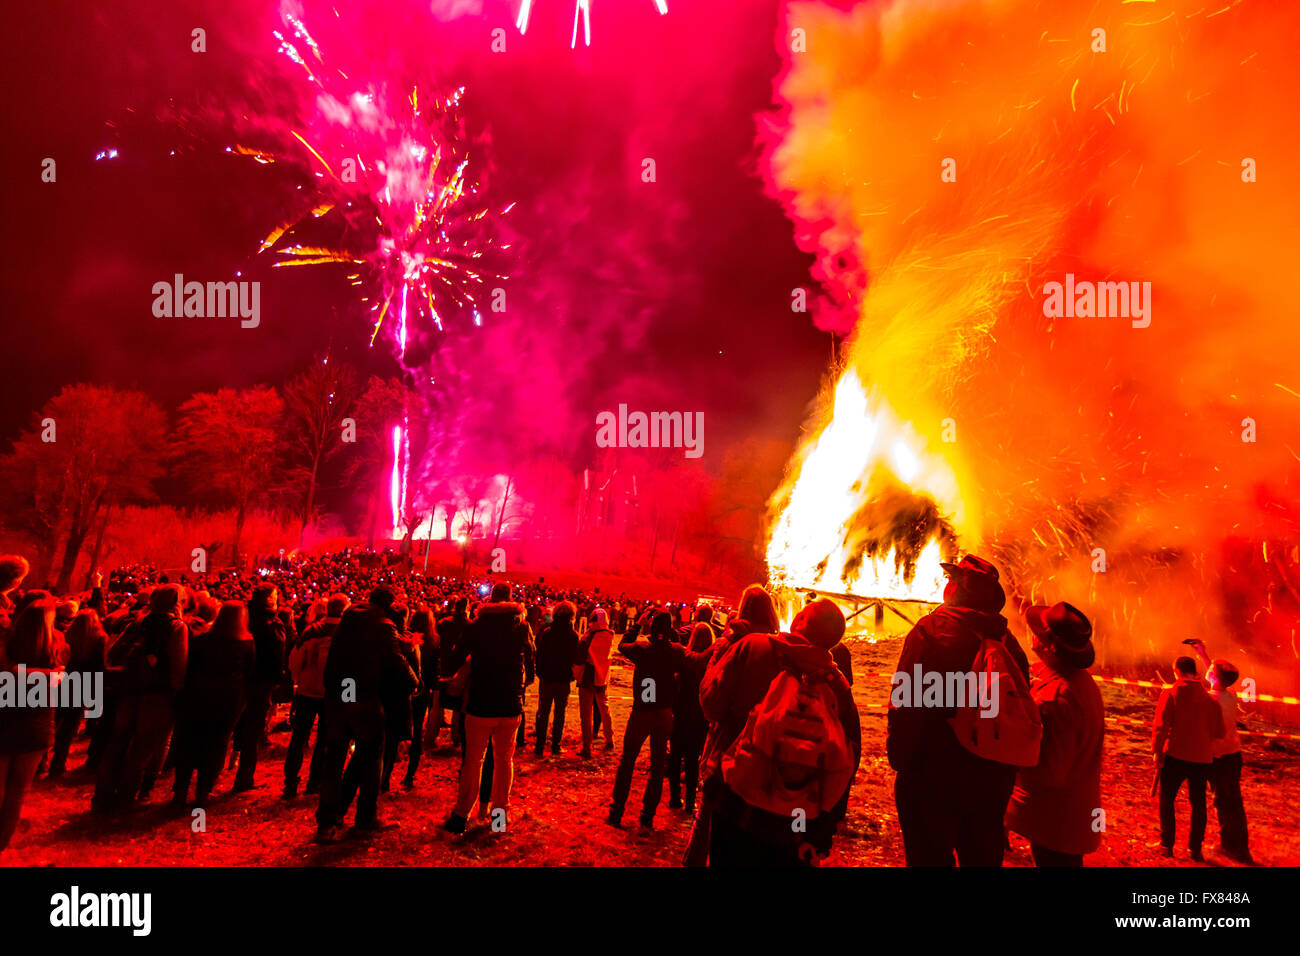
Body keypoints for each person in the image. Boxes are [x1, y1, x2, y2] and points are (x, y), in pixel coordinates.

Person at [886, 555, 1030, 866]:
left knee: (929, 856)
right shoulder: (1010, 645)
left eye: (952, 580)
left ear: (958, 590)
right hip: (992, 776)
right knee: (982, 855)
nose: (946, 585)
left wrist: (901, 759)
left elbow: (908, 703)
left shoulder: (930, 633)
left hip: (933, 776)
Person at [699, 599, 860, 866]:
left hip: (737, 799)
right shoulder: (838, 688)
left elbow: (711, 705)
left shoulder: (752, 647)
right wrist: (821, 831)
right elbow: (849, 759)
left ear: (797, 621)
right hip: (799, 819)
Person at [683, 583, 782, 866]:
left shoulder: (731, 645)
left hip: (725, 751)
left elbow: (711, 702)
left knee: (707, 822)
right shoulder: (781, 649)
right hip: (764, 757)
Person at [1005, 602, 1104, 866]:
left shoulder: (1055, 698)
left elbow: (1049, 773)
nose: (1031, 634)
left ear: (1049, 646)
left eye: (1037, 631)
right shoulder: (1080, 682)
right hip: (1072, 816)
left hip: (1056, 820)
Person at [315, 587, 417, 841]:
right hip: (363, 697)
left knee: (334, 761)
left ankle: (327, 823)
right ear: (389, 605)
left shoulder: (349, 619)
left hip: (338, 695)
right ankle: (365, 817)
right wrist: (414, 682)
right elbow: (395, 661)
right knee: (372, 755)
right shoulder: (383, 625)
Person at [443, 583, 535, 835]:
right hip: (510, 703)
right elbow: (530, 660)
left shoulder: (477, 626)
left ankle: (460, 816)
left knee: (473, 760)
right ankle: (498, 819)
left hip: (481, 702)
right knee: (505, 761)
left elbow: (457, 655)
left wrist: (447, 673)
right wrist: (522, 683)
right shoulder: (522, 626)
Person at [93, 584, 189, 814]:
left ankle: (102, 796)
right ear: (177, 602)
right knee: (145, 748)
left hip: (129, 690)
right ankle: (129, 798)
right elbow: (179, 665)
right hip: (158, 694)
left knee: (117, 744)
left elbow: (114, 652)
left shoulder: (139, 623)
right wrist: (178, 692)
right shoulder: (176, 627)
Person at [608, 611, 700, 830]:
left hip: (642, 711)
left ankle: (616, 812)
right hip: (664, 713)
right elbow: (686, 657)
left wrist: (636, 626)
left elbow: (622, 644)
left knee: (627, 761)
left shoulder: (642, 649)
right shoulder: (676, 651)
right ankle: (647, 815)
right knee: (657, 766)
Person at [171, 602, 256, 809]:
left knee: (190, 741)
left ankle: (181, 790)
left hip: (199, 694)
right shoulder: (246, 644)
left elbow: (190, 666)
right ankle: (203, 791)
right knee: (216, 744)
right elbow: (250, 673)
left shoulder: (203, 640)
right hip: (228, 699)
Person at [0, 599, 64, 853]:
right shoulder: (56, 645)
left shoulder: (8, 642)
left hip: (5, 716)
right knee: (17, 793)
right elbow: (60, 678)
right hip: (36, 721)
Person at [1153, 655, 1225, 862]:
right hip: (1201, 758)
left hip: (1175, 755)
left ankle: (1166, 845)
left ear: (1177, 671)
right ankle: (1195, 849)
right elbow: (1219, 732)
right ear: (1194, 672)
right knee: (1198, 804)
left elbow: (1160, 727)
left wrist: (1157, 751)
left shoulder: (1171, 694)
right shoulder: (1210, 700)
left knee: (1167, 799)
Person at [1187, 638, 1251, 863]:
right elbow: (1218, 677)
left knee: (1223, 802)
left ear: (1214, 676)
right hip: (1234, 754)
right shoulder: (1229, 694)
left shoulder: (1211, 699)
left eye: (1211, 669)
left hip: (1219, 758)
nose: (1209, 668)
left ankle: (1231, 848)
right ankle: (1240, 845)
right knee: (1234, 801)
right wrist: (1204, 655)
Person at [284, 593, 347, 798]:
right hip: (333, 695)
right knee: (324, 740)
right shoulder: (347, 634)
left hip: (307, 692)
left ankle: (290, 783)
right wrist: (349, 697)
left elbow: (295, 659)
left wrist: (299, 679)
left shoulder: (312, 631)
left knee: (299, 737)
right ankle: (314, 781)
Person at [233, 585, 287, 792]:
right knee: (253, 727)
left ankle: (222, 767)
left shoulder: (242, 618)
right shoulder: (272, 623)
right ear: (269, 600)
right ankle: (244, 778)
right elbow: (276, 654)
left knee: (234, 724)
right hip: (260, 681)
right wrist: (276, 680)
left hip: (239, 678)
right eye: (275, 596)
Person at [48, 608, 108, 777]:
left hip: (64, 681)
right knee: (69, 728)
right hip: (84, 685)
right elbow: (100, 666)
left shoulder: (68, 635)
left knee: (54, 721)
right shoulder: (100, 639)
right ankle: (57, 765)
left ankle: (41, 762)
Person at [667, 616, 713, 813]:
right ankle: (690, 800)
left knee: (676, 755)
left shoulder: (684, 658)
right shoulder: (710, 662)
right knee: (694, 759)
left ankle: (674, 797)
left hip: (680, 713)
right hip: (700, 715)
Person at [534, 600, 580, 757]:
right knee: (559, 713)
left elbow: (539, 656)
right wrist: (571, 676)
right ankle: (556, 746)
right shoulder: (573, 636)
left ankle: (539, 746)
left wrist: (540, 673)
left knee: (543, 712)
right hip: (563, 680)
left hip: (547, 678)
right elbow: (576, 658)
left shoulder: (547, 633)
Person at [576, 608, 616, 758]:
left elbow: (580, 653)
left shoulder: (590, 637)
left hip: (588, 677)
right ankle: (609, 739)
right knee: (605, 710)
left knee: (586, 714)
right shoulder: (609, 635)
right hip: (602, 676)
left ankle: (587, 747)